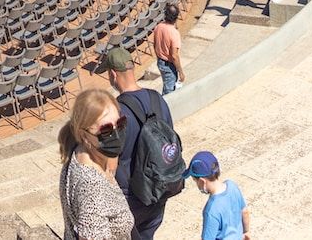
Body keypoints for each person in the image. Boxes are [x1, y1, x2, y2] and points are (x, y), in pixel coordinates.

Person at [104, 46, 180, 240]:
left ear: (113, 74)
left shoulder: (116, 112)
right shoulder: (157, 99)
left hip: (132, 197)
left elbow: (109, 161)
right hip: (160, 190)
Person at [57, 87, 135, 240]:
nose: (117, 135)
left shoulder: (81, 152)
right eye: (105, 131)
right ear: (84, 135)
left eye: (120, 124)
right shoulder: (92, 187)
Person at [187, 151, 251, 240]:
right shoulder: (232, 186)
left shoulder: (211, 210)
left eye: (195, 181)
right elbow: (244, 212)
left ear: (202, 181)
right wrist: (246, 232)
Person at [151, 3, 185, 95]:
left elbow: (155, 45)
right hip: (168, 65)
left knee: (167, 87)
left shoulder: (158, 27)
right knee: (168, 93)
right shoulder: (174, 33)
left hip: (160, 61)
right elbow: (174, 55)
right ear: (176, 17)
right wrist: (181, 72)